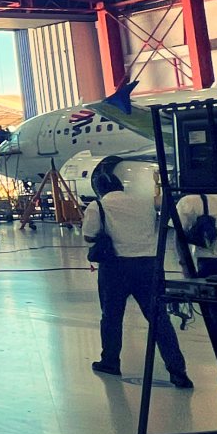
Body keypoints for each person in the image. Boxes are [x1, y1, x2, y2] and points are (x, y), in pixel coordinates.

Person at [83, 161, 192, 388]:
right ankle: (178, 371)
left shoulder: (97, 206)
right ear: (119, 186)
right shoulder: (145, 203)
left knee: (111, 318)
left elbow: (89, 235)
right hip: (148, 266)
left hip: (115, 268)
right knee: (159, 319)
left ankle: (110, 361)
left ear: (99, 189)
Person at [177, 193, 217, 385]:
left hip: (211, 265)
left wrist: (186, 269)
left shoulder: (191, 201)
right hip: (213, 264)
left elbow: (180, 238)